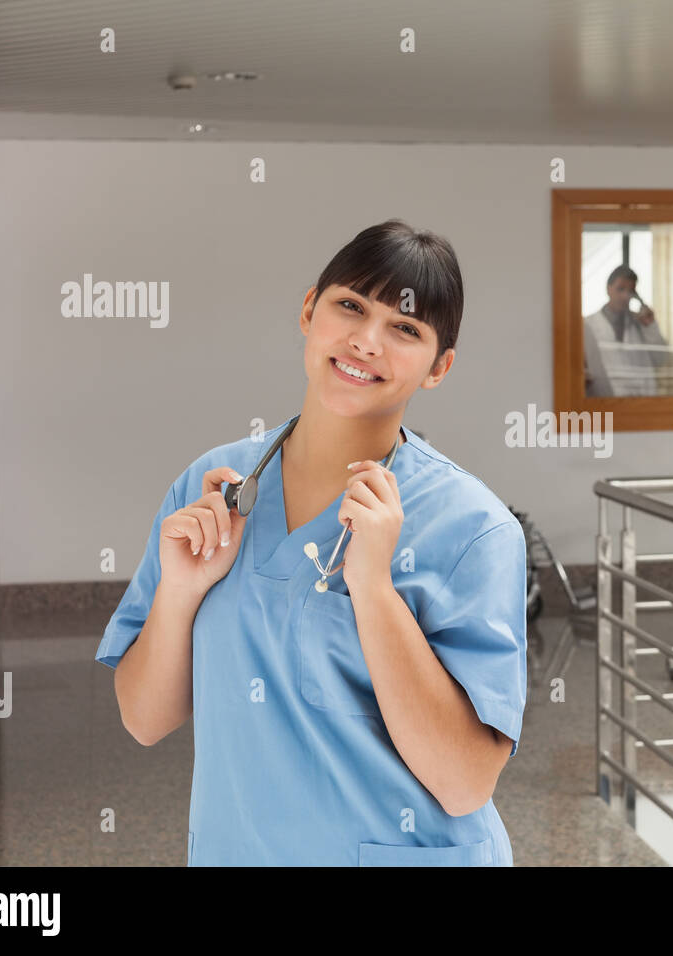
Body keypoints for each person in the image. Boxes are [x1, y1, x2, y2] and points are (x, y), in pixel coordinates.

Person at [95, 220, 527, 866]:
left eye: (405, 330)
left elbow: (465, 782)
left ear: (439, 368)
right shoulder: (213, 485)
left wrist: (374, 588)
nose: (366, 340)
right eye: (350, 306)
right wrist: (181, 594)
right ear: (308, 310)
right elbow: (142, 718)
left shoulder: (472, 528)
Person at [583, 265, 669, 396]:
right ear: (608, 289)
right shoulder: (589, 325)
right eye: (621, 289)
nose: (625, 295)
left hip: (643, 403)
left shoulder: (641, 324)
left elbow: (660, 359)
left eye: (631, 291)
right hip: (605, 403)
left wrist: (651, 327)